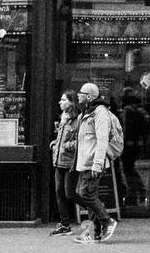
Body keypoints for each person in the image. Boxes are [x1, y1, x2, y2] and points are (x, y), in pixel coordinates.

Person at [73, 82, 117, 244]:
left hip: (92, 162)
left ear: (89, 96)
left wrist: (97, 164)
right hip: (85, 162)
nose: (78, 95)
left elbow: (102, 139)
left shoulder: (100, 112)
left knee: (85, 194)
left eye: (81, 93)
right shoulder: (87, 112)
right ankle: (94, 233)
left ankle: (107, 220)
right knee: (88, 194)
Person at [50, 90, 80, 235]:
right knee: (59, 192)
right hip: (58, 161)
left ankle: (96, 209)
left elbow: (81, 141)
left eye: (63, 100)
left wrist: (66, 146)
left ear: (72, 102)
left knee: (70, 194)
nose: (60, 102)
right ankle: (65, 224)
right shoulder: (63, 118)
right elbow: (61, 138)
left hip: (70, 162)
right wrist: (54, 144)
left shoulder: (78, 120)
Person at [121, 87, 150, 207]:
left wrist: (124, 142)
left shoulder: (127, 110)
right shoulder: (140, 110)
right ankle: (140, 192)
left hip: (128, 143)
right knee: (131, 169)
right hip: (136, 143)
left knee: (128, 170)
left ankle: (133, 193)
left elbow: (126, 128)